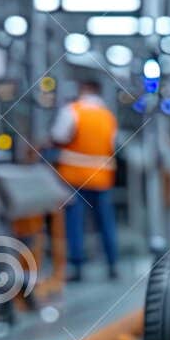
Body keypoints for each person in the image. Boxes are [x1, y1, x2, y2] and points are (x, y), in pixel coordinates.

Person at [51, 80, 119, 281]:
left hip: (74, 176)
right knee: (106, 222)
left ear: (83, 90)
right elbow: (112, 144)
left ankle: (77, 266)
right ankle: (112, 264)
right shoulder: (108, 116)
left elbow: (59, 135)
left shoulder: (72, 111)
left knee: (75, 222)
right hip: (102, 177)